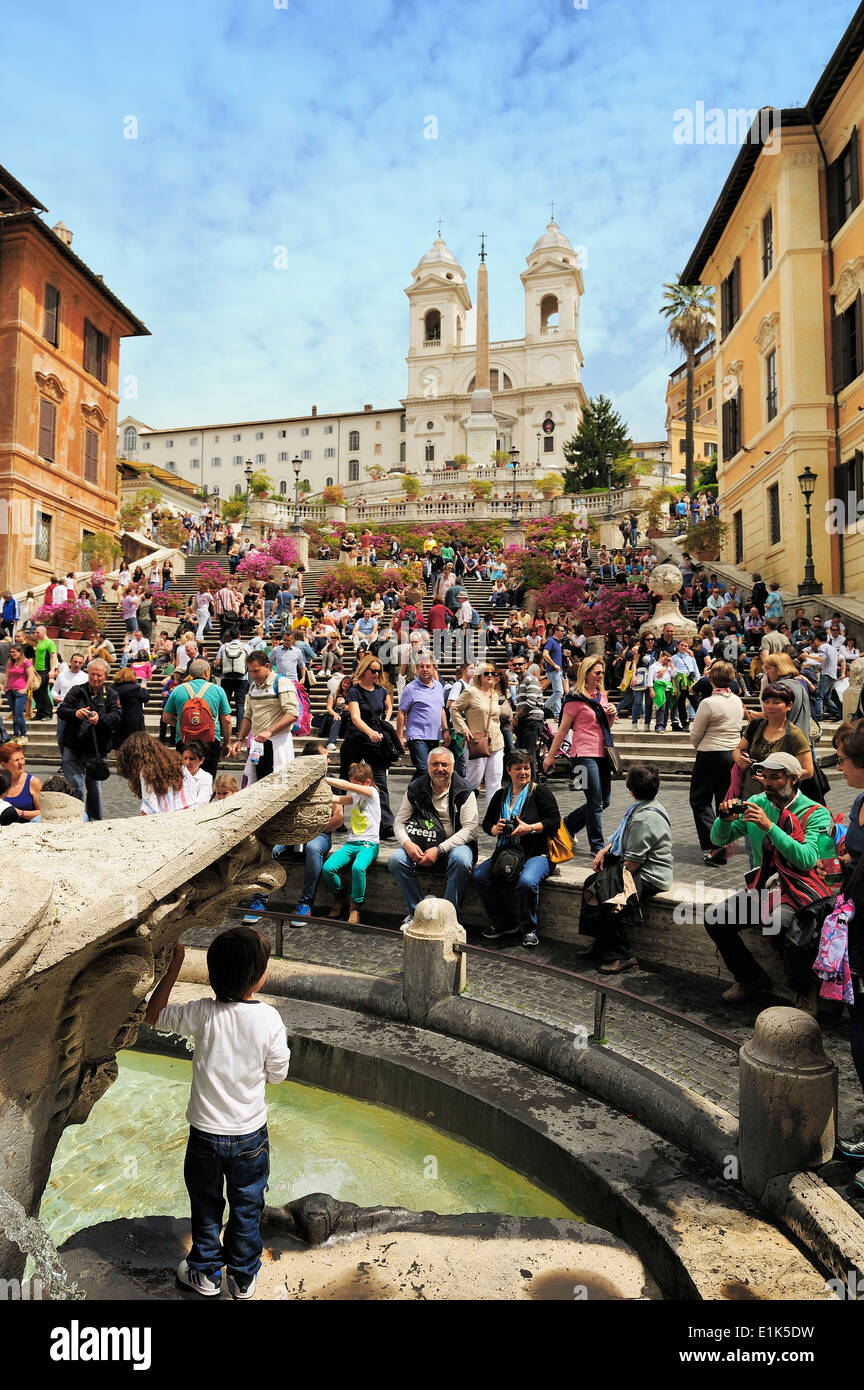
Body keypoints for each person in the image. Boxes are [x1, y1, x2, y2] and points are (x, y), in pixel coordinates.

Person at [145, 930, 290, 1299]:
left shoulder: (202, 1013)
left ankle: (205, 1273)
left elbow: (155, 1015)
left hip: (205, 1137)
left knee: (206, 1205)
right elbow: (278, 1075)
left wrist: (174, 966)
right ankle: (241, 1279)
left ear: (212, 975)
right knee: (247, 1205)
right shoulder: (269, 1020)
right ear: (259, 977)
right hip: (250, 1138)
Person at [708, 752, 835, 1002]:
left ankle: (806, 990)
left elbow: (807, 859)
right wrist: (723, 820)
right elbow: (717, 840)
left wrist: (770, 827)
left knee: (779, 922)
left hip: (804, 892)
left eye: (775, 777)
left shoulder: (816, 813)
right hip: (765, 888)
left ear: (794, 779)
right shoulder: (758, 802)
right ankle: (751, 978)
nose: (767, 783)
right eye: (764, 776)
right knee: (715, 918)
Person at [576, 762, 673, 973]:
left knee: (608, 897)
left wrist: (610, 878)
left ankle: (623, 955)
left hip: (650, 875)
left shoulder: (644, 818)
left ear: (630, 789)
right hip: (634, 867)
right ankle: (601, 944)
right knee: (590, 883)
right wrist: (603, 851)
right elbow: (620, 837)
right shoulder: (642, 807)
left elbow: (633, 863)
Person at [471, 749, 561, 948]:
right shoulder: (501, 795)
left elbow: (554, 822)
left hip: (537, 853)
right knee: (479, 876)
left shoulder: (540, 792)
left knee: (527, 882)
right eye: (518, 768)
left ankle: (529, 928)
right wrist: (495, 829)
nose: (523, 772)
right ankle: (503, 922)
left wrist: (530, 828)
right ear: (508, 770)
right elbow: (487, 825)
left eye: (526, 768)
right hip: (507, 853)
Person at [389, 746, 478, 926]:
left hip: (454, 846)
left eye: (444, 764)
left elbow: (470, 829)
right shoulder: (415, 787)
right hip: (422, 842)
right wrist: (407, 844)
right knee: (396, 859)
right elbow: (399, 822)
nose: (440, 769)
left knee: (462, 860)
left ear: (452, 766)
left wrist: (440, 849)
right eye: (435, 764)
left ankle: (448, 915)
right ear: (428, 766)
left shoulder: (464, 790)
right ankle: (416, 911)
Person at [829, 721, 864, 1164]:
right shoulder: (858, 801)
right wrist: (841, 865)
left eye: (842, 760)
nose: (838, 767)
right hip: (854, 931)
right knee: (859, 1035)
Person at [543, 656, 617, 854]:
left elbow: (605, 727)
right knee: (595, 801)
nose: (601, 676)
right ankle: (597, 845)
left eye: (602, 672)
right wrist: (550, 756)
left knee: (605, 801)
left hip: (602, 753)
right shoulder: (574, 699)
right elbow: (562, 730)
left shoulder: (602, 696)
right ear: (586, 673)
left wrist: (612, 714)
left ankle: (568, 824)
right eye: (597, 673)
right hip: (582, 755)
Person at [688, 661, 745, 867]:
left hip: (710, 753)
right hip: (731, 753)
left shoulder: (708, 703)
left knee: (700, 800)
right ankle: (724, 843)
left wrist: (699, 745)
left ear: (710, 679)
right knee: (724, 801)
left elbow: (696, 734)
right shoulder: (737, 700)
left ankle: (715, 846)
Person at [56, 658, 121, 821]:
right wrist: (75, 713)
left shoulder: (112, 694)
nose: (95, 678)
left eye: (99, 675)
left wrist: (100, 719)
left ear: (105, 676)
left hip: (96, 749)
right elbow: (62, 710)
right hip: (74, 746)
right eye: (92, 674)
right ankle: (77, 818)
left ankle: (95, 821)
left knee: (95, 789)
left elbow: (117, 716)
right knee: (74, 786)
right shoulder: (77, 690)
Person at [339, 652, 396, 837]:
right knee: (345, 780)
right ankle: (337, 817)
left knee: (380, 781)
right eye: (373, 671)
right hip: (356, 739)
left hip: (375, 743)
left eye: (379, 671)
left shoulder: (381, 691)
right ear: (364, 671)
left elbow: (389, 707)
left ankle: (386, 824)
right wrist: (370, 732)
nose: (377, 674)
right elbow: (355, 717)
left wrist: (384, 724)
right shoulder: (355, 691)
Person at [732, 684, 813, 803]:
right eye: (766, 701)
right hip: (750, 794)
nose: (770, 706)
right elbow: (738, 749)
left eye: (776, 702)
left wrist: (776, 776)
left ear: (789, 705)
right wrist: (739, 758)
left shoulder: (795, 735)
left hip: (778, 798)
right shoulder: (756, 726)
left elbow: (808, 771)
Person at [321, 764, 380, 923]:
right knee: (328, 867)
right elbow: (337, 799)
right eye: (352, 783)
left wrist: (324, 779)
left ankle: (355, 908)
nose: (352, 788)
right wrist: (319, 792)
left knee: (358, 867)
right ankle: (339, 899)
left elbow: (346, 786)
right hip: (351, 843)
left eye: (356, 784)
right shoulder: (356, 796)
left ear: (367, 782)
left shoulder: (372, 793)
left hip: (370, 844)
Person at [230, 650, 299, 784]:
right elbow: (248, 716)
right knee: (258, 782)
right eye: (250, 671)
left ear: (267, 666)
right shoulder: (253, 687)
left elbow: (292, 714)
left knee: (278, 784)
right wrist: (239, 739)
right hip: (258, 744)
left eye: (256, 671)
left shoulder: (282, 683)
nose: (253, 675)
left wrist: (269, 731)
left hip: (278, 743)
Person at [163, 659, 233, 779]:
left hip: (184, 740)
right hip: (210, 740)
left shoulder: (178, 690)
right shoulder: (218, 690)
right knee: (208, 780)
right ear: (207, 672)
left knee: (185, 780)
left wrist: (180, 724)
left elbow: (166, 718)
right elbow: (226, 720)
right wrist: (227, 743)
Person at [450, 662, 505, 807]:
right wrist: (464, 728)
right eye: (486, 673)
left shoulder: (494, 694)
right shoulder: (471, 692)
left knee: (495, 781)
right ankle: (465, 810)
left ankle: (492, 817)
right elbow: (453, 709)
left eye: (493, 673)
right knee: (474, 780)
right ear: (479, 676)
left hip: (497, 742)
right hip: (478, 742)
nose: (490, 676)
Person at [116, 732, 199, 814]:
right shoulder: (177, 761)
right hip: (192, 810)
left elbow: (149, 807)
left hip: (171, 817)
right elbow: (193, 786)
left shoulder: (146, 771)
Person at [396, 656, 448, 775]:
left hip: (434, 736)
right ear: (417, 669)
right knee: (425, 769)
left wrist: (445, 730)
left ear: (434, 668)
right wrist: (400, 736)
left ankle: (412, 793)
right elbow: (401, 712)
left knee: (428, 771)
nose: (425, 669)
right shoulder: (410, 688)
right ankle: (414, 793)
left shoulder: (439, 687)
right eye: (421, 667)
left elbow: (441, 709)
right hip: (417, 735)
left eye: (428, 666)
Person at [0, 743, 42, 821]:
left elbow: (43, 812)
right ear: (4, 765)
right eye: (16, 760)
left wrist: (20, 813)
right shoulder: (1, 781)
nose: (21, 763)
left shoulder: (33, 782)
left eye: (22, 758)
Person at [113, 667, 150, 746]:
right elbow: (145, 698)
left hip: (118, 719)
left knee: (119, 743)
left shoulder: (112, 687)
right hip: (133, 721)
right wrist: (143, 689)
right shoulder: (135, 688)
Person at [31, 625, 58, 720]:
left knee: (42, 691)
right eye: (35, 632)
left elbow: (53, 656)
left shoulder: (50, 643)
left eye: (37, 632)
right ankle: (39, 712)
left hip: (45, 670)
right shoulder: (40, 642)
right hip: (37, 670)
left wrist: (52, 670)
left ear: (43, 632)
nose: (36, 634)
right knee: (36, 692)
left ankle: (47, 713)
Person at [181, 740, 215, 805]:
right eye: (185, 758)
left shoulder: (206, 777)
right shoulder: (177, 774)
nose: (187, 762)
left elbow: (203, 801)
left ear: (202, 760)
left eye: (192, 759)